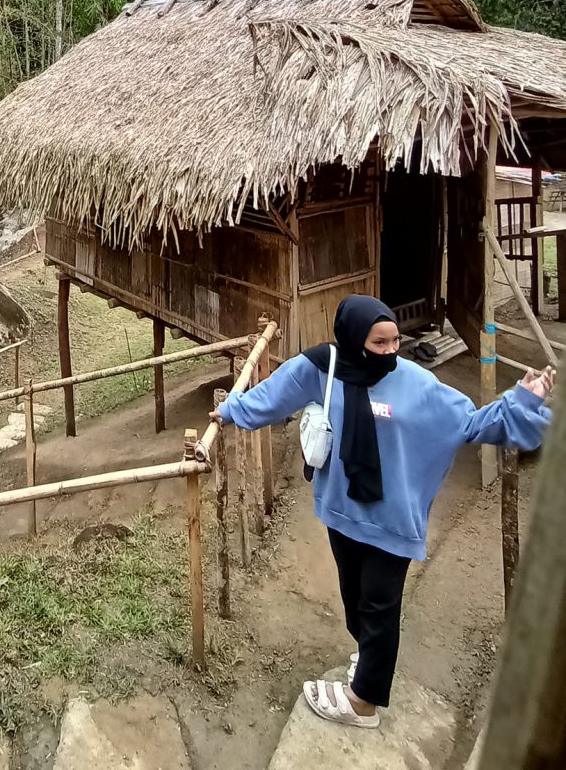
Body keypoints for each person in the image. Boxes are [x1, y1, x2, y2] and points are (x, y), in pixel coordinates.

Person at [207, 295, 553, 730]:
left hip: (391, 520)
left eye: (395, 342)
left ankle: (364, 702)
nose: (390, 352)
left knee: (379, 607)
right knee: (355, 602)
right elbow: (274, 397)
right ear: (354, 339)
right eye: (380, 343)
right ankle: (368, 658)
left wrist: (525, 399)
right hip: (343, 512)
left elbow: (472, 422)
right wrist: (231, 411)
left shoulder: (416, 383)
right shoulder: (323, 367)